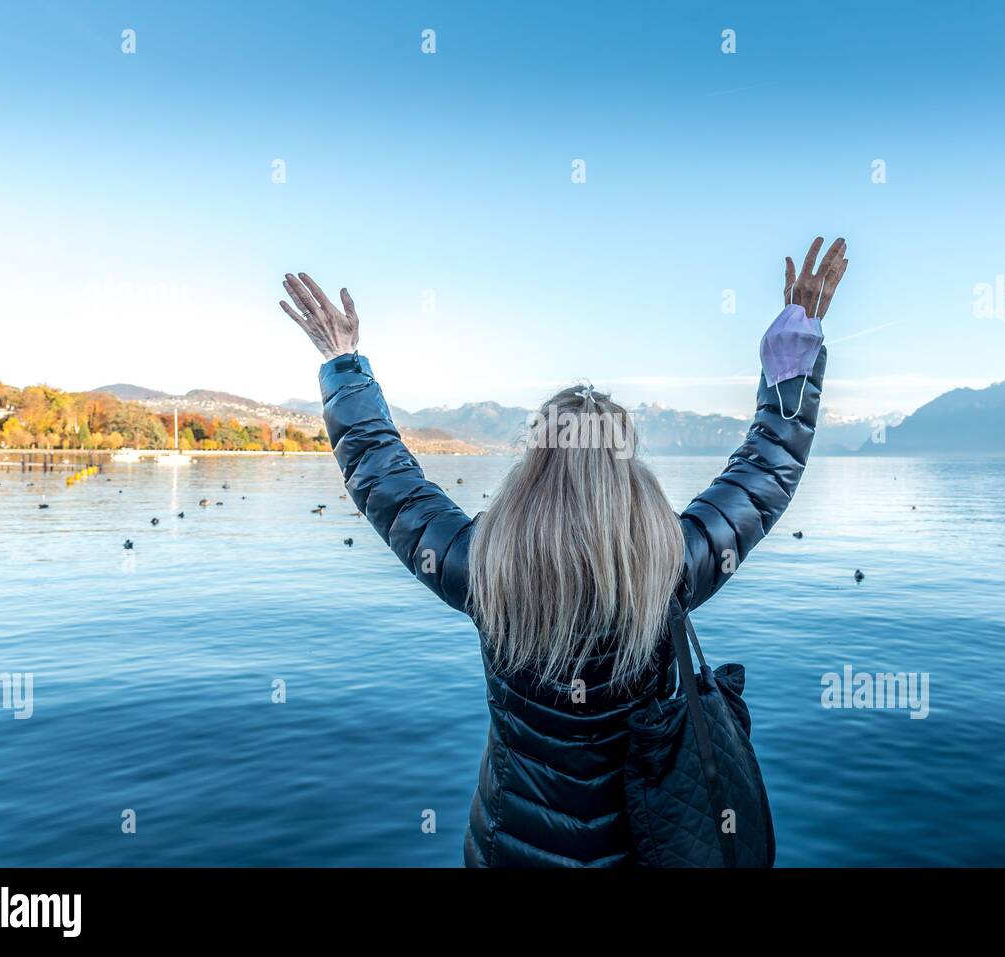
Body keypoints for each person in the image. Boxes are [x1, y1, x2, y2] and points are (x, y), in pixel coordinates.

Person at [278, 237, 848, 866]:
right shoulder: (671, 570)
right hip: (642, 850)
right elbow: (766, 470)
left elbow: (384, 475)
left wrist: (344, 363)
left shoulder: (480, 568)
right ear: (626, 471)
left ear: (534, 465)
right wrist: (794, 355)